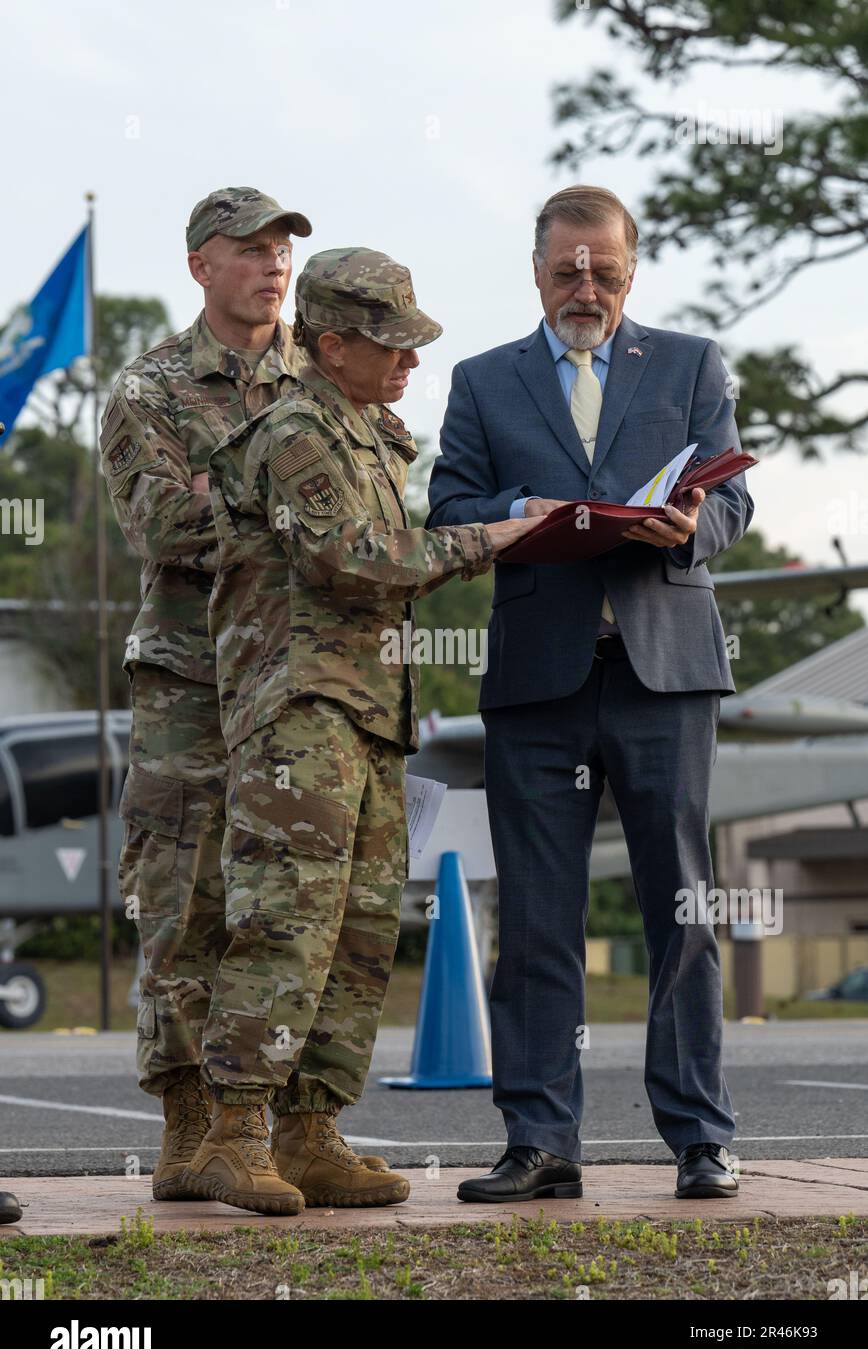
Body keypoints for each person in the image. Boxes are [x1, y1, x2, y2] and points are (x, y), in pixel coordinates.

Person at [184, 248, 540, 1214]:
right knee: (286, 925)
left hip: (371, 714)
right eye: (392, 345)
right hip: (300, 713)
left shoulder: (367, 432)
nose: (412, 364)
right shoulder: (296, 431)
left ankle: (310, 1133)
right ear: (330, 344)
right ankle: (236, 1133)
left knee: (361, 932)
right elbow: (357, 558)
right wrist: (495, 536)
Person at [426, 185, 754, 1203]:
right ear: (535, 270)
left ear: (630, 270)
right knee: (535, 918)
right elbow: (448, 506)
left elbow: (732, 497)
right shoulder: (483, 381)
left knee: (682, 911)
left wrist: (688, 526)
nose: (584, 285)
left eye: (602, 268)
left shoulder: (693, 365)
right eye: (566, 266)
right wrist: (523, 513)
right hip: (538, 684)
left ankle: (700, 1136)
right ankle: (539, 1140)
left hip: (664, 673)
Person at [99, 187, 311, 1200]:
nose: (272, 265)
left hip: (303, 678)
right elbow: (167, 531)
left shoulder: (324, 375)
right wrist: (298, 508)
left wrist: (230, 493)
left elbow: (372, 510)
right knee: (180, 896)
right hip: (191, 680)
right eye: (250, 249)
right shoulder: (149, 389)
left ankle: (264, 1127)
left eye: (280, 249)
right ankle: (188, 1116)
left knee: (289, 902)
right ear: (201, 266)